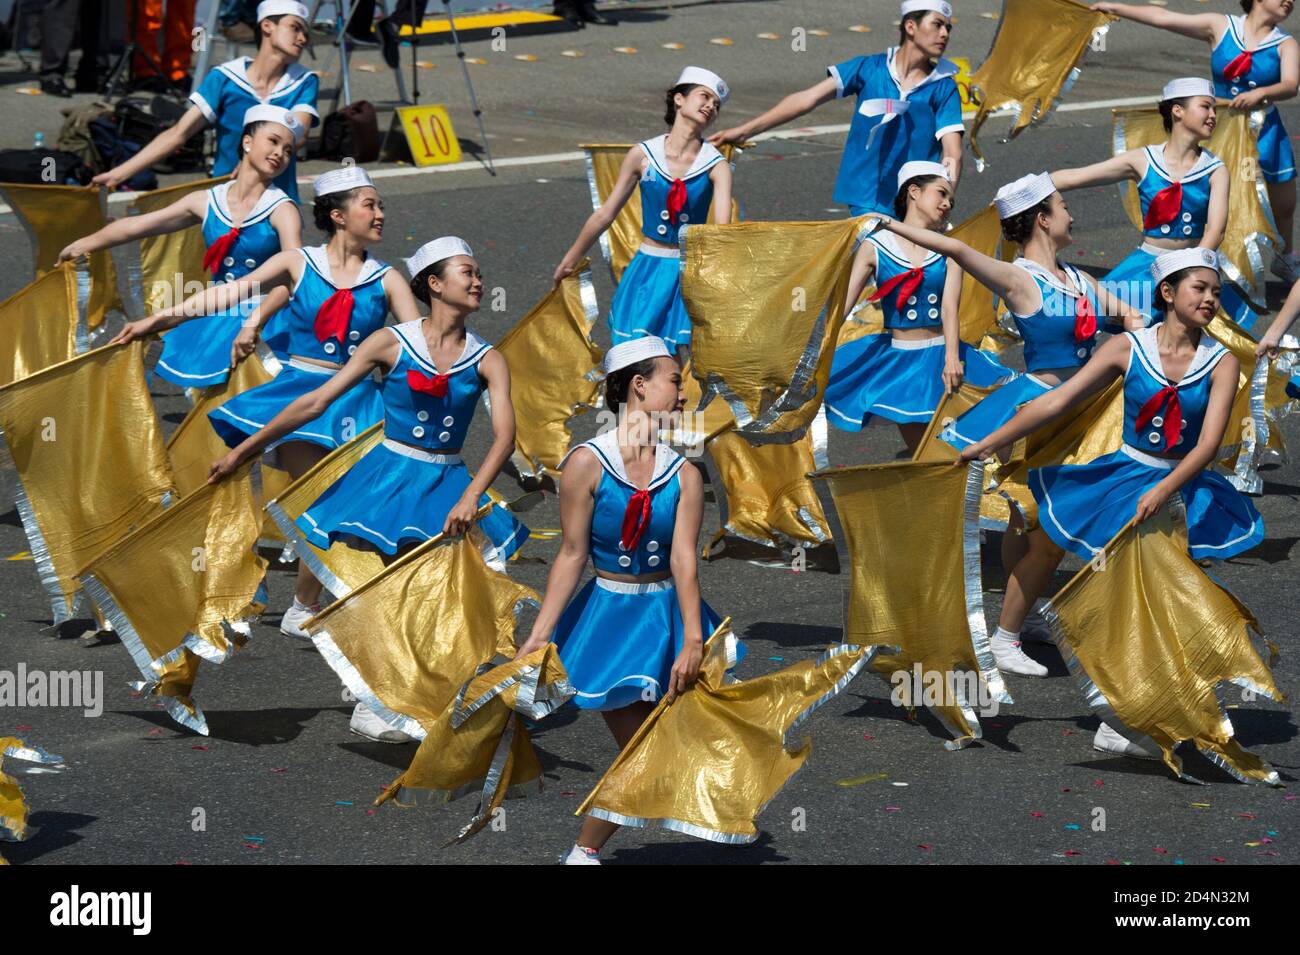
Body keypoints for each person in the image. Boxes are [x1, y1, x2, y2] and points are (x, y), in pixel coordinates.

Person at [208, 236, 529, 742]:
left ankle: (439, 687)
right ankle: (376, 695)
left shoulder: (489, 359)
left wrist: (472, 496)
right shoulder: (389, 343)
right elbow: (314, 403)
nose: (478, 282)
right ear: (434, 284)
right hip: (385, 479)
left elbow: (505, 438)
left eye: (479, 273)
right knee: (374, 592)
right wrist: (241, 452)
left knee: (453, 590)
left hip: (446, 480)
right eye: (467, 272)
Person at [956, 248, 1264, 734]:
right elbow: (1057, 400)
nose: (1209, 299)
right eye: (1199, 288)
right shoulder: (1127, 348)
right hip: (1124, 473)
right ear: (1167, 293)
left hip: (1179, 482)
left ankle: (1129, 717)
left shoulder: (1221, 363)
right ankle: (1008, 638)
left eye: (1216, 292)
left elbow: (1206, 446)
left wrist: (1164, 489)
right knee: (1048, 541)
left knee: (1157, 595)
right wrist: (988, 443)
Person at [112, 166, 413, 640]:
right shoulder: (298, 263)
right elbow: (229, 290)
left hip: (361, 403)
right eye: (369, 205)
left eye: (380, 206)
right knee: (322, 498)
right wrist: (159, 320)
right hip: (298, 397)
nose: (380, 214)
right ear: (338, 215)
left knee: (347, 507)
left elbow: (416, 349)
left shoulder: (388, 279)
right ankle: (307, 603)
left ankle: (307, 604)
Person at [866, 172, 1146, 676]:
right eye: (1063, 206)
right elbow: (954, 249)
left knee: (1030, 515)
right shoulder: (1020, 278)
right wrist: (889, 223)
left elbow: (1132, 318)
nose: (1072, 213)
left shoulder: (1079, 279)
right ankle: (1006, 636)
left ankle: (1023, 613)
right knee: (1037, 516)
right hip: (1041, 408)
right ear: (1042, 219)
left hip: (1087, 405)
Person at [513, 336, 730, 865]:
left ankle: (588, 851)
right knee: (646, 749)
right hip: (609, 620)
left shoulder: (685, 473)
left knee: (660, 745)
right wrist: (540, 635)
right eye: (674, 381)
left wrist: (694, 640)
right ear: (639, 385)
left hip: (666, 619)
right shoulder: (585, 464)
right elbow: (570, 554)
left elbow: (683, 560)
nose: (683, 395)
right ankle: (583, 853)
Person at [58, 105, 303, 390]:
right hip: (217, 310)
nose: (280, 153)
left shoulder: (283, 210)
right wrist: (83, 244)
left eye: (288, 150)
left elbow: (292, 279)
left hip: (269, 316)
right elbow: (136, 226)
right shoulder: (207, 201)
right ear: (247, 141)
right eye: (273, 141)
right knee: (216, 402)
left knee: (250, 405)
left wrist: (254, 322)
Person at [1093, 1, 1300, 279]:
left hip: (1263, 129)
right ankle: (1197, 256)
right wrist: (1116, 7)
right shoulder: (1222, 27)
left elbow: (1290, 84)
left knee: (1284, 204)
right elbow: (1164, 17)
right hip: (1221, 126)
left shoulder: (1285, 44)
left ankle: (1285, 257)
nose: (1289, 1)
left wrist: (1261, 92)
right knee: (1214, 194)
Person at [710, 0, 963, 216]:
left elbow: (952, 152)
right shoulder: (869, 69)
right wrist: (745, 131)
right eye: (937, 24)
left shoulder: (943, 87)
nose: (945, 34)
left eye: (948, 28)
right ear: (911, 26)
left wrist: (944, 199)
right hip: (866, 200)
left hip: (916, 206)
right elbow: (806, 99)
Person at [825, 161, 1012, 453]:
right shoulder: (875, 246)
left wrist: (952, 357)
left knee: (962, 448)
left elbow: (951, 308)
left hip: (943, 356)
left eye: (951, 199)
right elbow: (843, 306)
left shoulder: (949, 247)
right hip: (901, 365)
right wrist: (815, 351)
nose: (948, 203)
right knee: (925, 452)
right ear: (913, 191)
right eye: (941, 193)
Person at [554, 67, 732, 353]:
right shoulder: (643, 155)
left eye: (717, 105)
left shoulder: (716, 165)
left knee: (671, 361)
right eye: (705, 96)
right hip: (647, 268)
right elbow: (605, 214)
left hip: (688, 272)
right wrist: (571, 258)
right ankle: (628, 400)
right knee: (632, 354)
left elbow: (722, 232)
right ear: (678, 99)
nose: (711, 106)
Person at [1051, 78, 1253, 327]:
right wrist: (1029, 186)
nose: (1213, 115)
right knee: (1124, 330)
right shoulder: (1144, 160)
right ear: (1177, 111)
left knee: (1184, 345)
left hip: (1191, 267)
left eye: (1214, 109)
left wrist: (1190, 270)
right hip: (1147, 267)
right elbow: (1076, 176)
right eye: (1205, 107)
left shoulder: (1215, 170)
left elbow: (1216, 230)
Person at [93, 1, 318, 201]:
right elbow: (177, 134)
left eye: (305, 34)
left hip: (279, 201)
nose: (302, 38)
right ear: (267, 25)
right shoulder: (225, 77)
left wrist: (261, 153)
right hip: (227, 200)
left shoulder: (304, 81)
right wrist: (118, 174)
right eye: (295, 28)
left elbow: (299, 131)